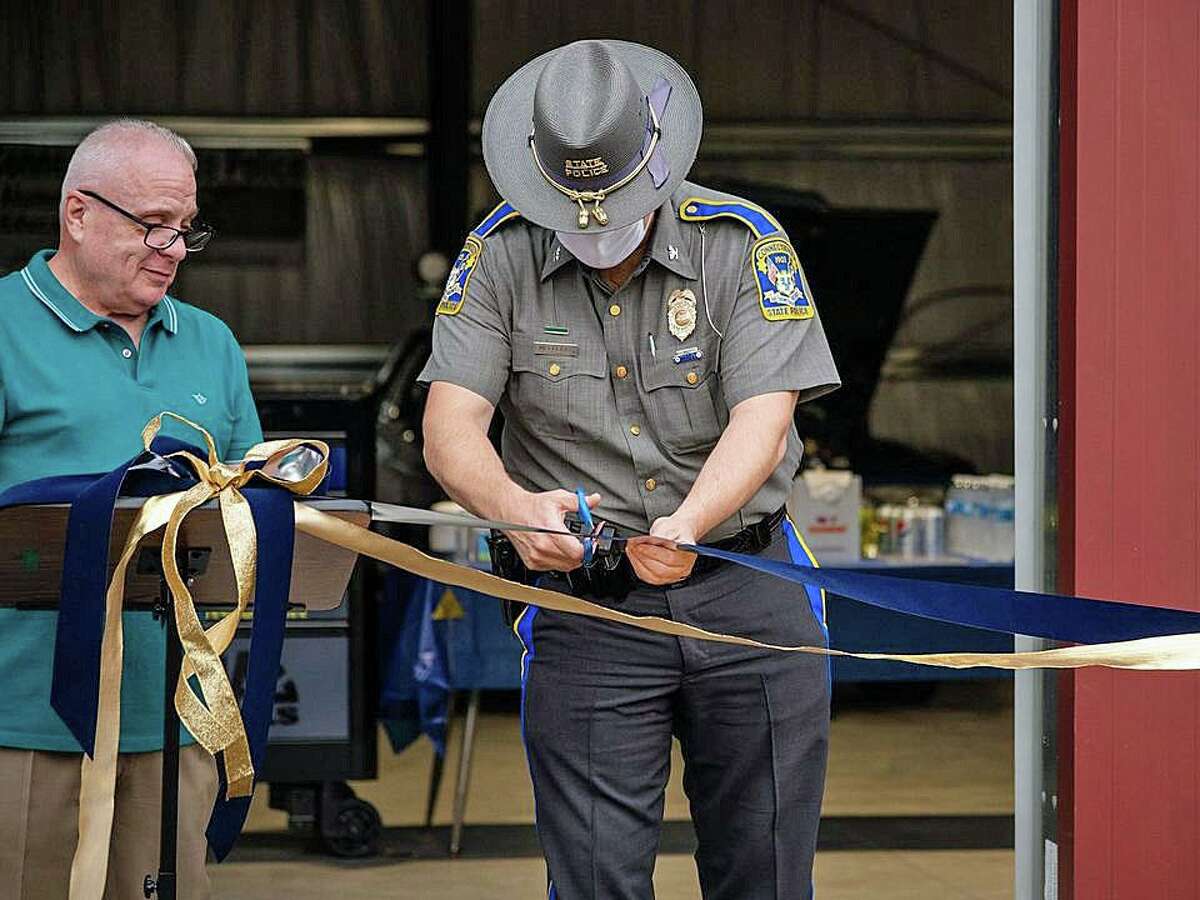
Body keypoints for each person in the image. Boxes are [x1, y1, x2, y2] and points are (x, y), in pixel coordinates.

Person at [420, 40, 841, 899]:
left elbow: (764, 419)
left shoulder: (744, 245)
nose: (592, 234)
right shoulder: (496, 256)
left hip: (744, 578)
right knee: (594, 875)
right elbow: (449, 424)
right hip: (589, 602)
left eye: (613, 211)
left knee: (763, 865)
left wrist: (688, 524)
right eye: (570, 213)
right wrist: (510, 505)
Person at [0, 119, 262, 898]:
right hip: (26, 721)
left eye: (186, 229)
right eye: (153, 225)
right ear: (77, 213)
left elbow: (245, 502)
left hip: (175, 719)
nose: (174, 249)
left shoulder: (212, 342)